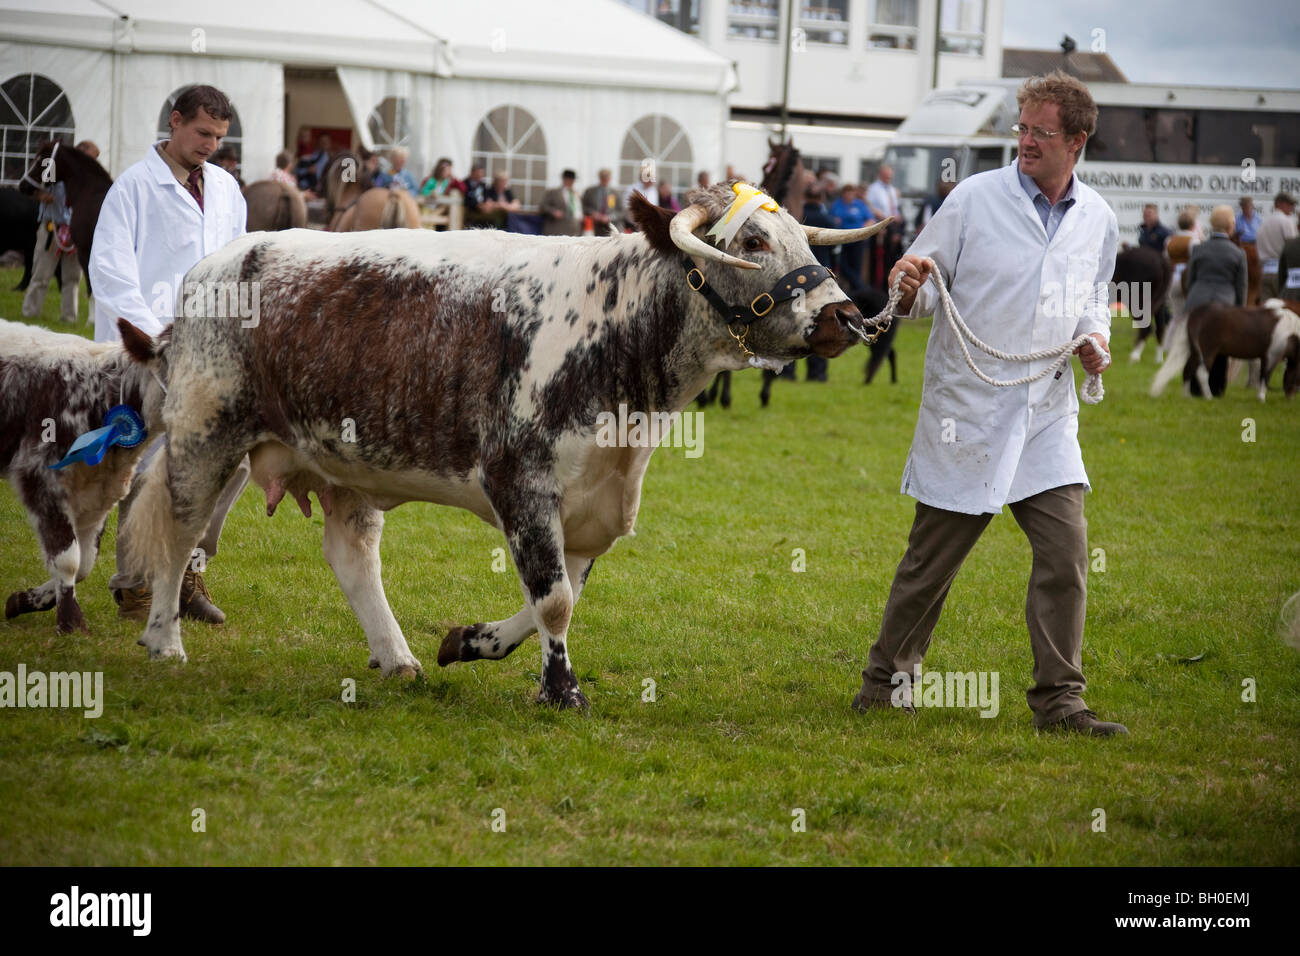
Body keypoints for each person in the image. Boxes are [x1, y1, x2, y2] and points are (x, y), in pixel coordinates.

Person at [851, 70, 1126, 737]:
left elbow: (1094, 295)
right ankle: (884, 687)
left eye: (1041, 132)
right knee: (931, 564)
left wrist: (1095, 336)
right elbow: (916, 287)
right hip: (967, 412)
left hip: (1048, 415)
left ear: (1077, 140)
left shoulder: (1098, 218)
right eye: (1022, 129)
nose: (1026, 142)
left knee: (1065, 557)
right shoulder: (974, 198)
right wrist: (906, 278)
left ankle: (1061, 702)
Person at [88, 84, 249, 626]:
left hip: (212, 349)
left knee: (234, 459)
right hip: (147, 353)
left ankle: (187, 574)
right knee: (149, 461)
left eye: (220, 137)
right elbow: (110, 272)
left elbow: (236, 265)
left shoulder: (227, 189)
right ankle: (134, 586)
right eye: (202, 132)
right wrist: (156, 344)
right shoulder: (133, 188)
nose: (211, 144)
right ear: (175, 122)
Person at [1182, 205, 1248, 396]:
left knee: (1195, 346)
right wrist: (1239, 311)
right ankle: (1216, 387)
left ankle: (1194, 387)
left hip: (1197, 301)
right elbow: (1240, 287)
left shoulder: (1199, 249)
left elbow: (1190, 280)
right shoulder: (1238, 253)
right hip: (1224, 304)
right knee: (1221, 348)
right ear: (1230, 226)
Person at [21, 146, 81, 325]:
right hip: (51, 227)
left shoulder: (84, 178)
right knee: (41, 274)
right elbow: (27, 186)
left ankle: (69, 318)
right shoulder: (52, 171)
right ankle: (30, 314)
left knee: (72, 277)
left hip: (75, 231)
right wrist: (40, 195)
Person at [1256, 191, 1297, 301]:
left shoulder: (1264, 223)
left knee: (1267, 312)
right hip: (1282, 274)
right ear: (1281, 204)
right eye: (1290, 205)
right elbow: (1292, 248)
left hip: (1265, 273)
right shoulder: (1287, 221)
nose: (1292, 208)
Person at [830, 183, 871, 287]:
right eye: (847, 194)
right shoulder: (837, 204)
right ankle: (859, 286)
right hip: (843, 239)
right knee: (843, 266)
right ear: (843, 194)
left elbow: (870, 219)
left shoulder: (860, 204)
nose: (849, 196)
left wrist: (863, 229)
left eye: (851, 194)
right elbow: (832, 219)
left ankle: (856, 288)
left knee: (856, 265)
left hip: (858, 239)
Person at [1235, 196, 1262, 305]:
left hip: (1255, 247)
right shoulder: (1237, 219)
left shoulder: (1258, 219)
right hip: (1243, 247)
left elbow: (1260, 234)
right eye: (1244, 206)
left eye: (1249, 206)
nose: (1247, 208)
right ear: (1241, 207)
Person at [541, 169, 582, 236]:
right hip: (557, 229)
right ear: (564, 179)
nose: (571, 182)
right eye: (569, 179)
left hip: (574, 230)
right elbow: (543, 206)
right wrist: (554, 212)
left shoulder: (576, 193)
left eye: (572, 180)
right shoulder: (553, 192)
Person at [582, 168, 625, 232]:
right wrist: (593, 213)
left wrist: (609, 217)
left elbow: (621, 211)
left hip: (613, 227)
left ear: (610, 178)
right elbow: (584, 207)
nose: (604, 179)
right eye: (602, 177)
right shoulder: (590, 191)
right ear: (599, 178)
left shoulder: (616, 193)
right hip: (596, 228)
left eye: (606, 177)